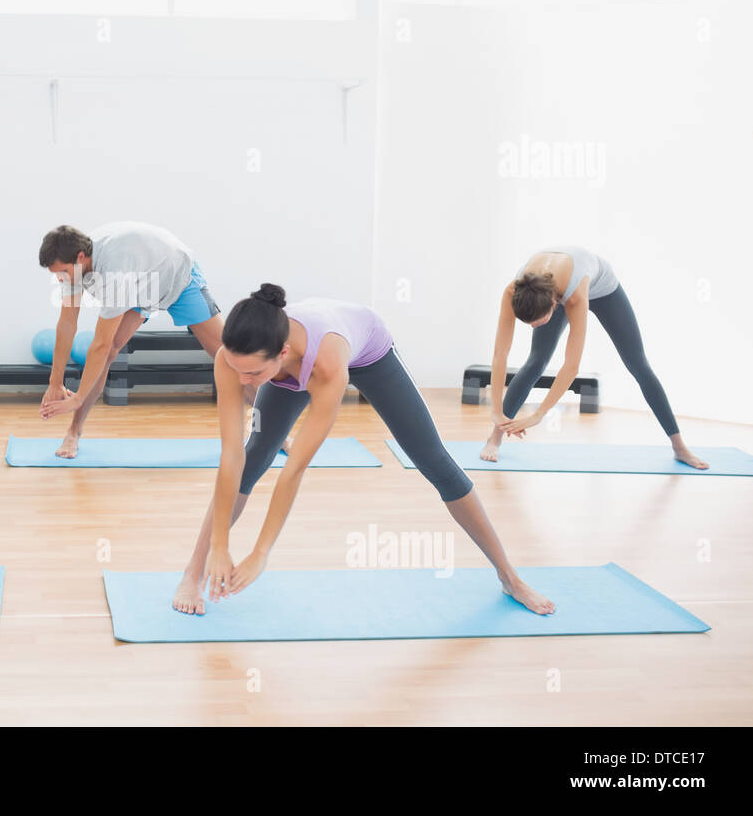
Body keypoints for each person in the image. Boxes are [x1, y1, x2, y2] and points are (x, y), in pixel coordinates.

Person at [172, 283, 555, 617]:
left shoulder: (327, 366)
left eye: (253, 374)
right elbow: (229, 458)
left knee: (434, 461)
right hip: (299, 362)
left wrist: (260, 553)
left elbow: (294, 471)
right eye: (238, 371)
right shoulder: (233, 358)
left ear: (282, 352)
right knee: (251, 457)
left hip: (368, 352)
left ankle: (509, 576)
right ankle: (192, 573)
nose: (243, 382)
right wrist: (219, 546)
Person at [482, 246, 707, 469]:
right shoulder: (514, 290)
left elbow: (571, 366)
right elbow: (500, 355)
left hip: (603, 290)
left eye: (537, 322)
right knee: (536, 362)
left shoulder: (575, 297)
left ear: (553, 304)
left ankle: (679, 446)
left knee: (638, 364)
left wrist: (540, 414)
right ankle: (495, 438)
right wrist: (496, 412)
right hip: (550, 287)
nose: (532, 327)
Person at [38, 222, 243, 457]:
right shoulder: (74, 270)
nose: (61, 280)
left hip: (178, 278)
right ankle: (73, 432)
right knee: (111, 351)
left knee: (231, 356)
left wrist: (78, 398)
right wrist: (55, 384)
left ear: (81, 257)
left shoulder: (113, 271)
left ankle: (268, 431)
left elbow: (100, 345)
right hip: (141, 287)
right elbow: (66, 326)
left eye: (62, 272)